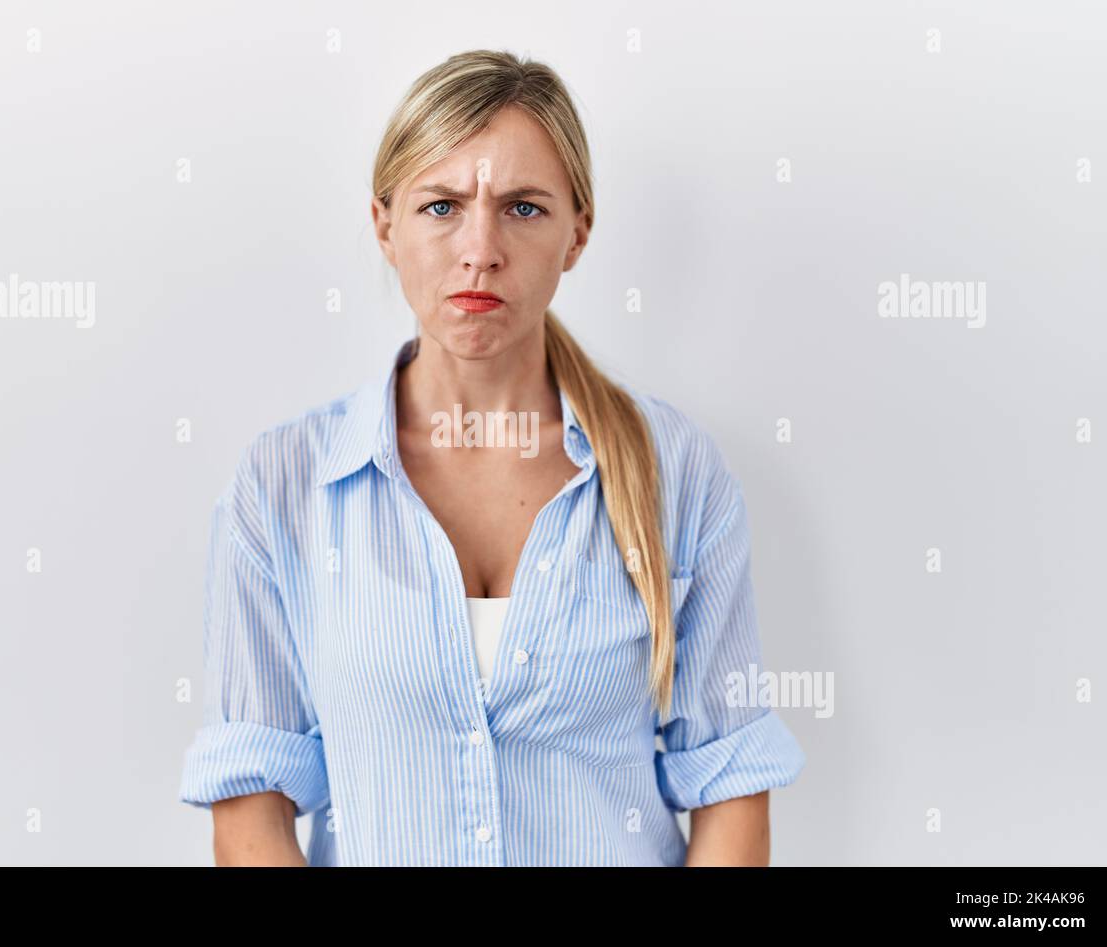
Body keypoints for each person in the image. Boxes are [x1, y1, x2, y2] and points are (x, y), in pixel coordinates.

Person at [178, 48, 806, 866]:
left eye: (523, 208)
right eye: (441, 206)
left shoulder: (675, 473)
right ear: (384, 225)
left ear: (577, 232)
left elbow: (729, 782)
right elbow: (250, 806)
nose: (480, 249)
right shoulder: (283, 486)